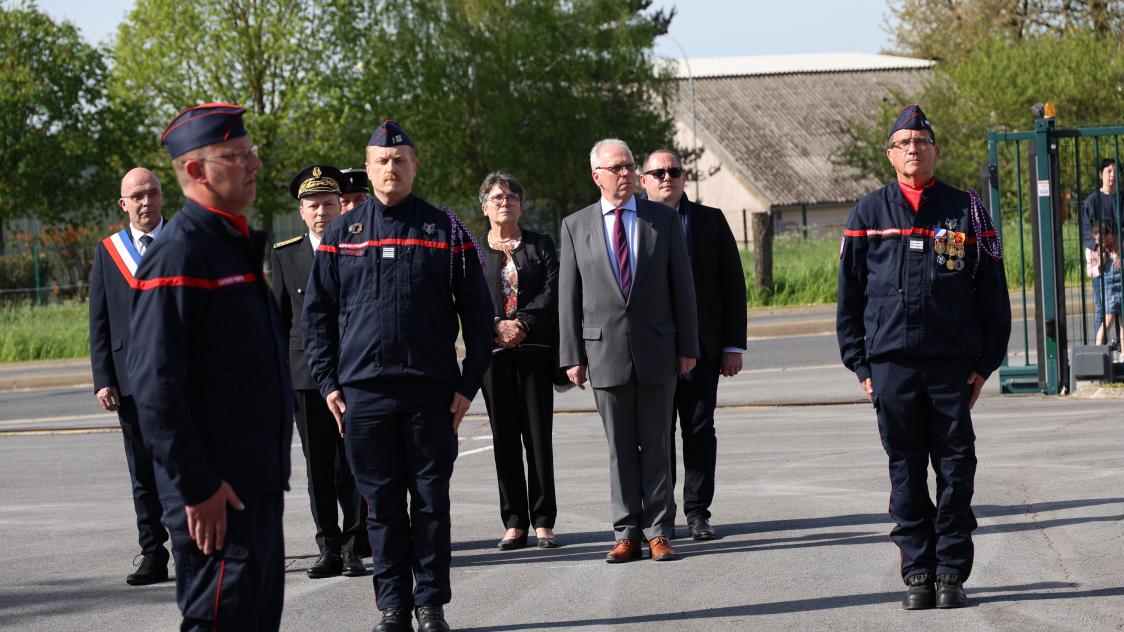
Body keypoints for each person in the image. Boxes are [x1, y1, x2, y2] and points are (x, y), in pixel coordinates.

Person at [302, 120, 492, 632]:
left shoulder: (445, 229)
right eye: (382, 161)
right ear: (367, 170)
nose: (392, 168)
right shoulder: (342, 233)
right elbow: (316, 317)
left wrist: (467, 385)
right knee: (382, 508)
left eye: (400, 160)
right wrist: (328, 383)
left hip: (430, 393)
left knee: (430, 504)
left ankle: (430, 604)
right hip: (363, 395)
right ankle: (392, 606)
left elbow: (478, 315)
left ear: (415, 166)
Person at [126, 103, 293, 631]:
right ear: (197, 171)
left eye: (251, 152)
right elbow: (155, 389)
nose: (254, 164)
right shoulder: (181, 254)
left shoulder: (229, 244)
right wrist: (197, 486)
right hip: (216, 497)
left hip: (254, 485)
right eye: (237, 155)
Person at [836, 104, 1011, 610]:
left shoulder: (966, 210)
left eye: (921, 141)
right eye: (903, 143)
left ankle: (951, 571)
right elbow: (849, 297)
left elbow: (992, 293)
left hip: (950, 366)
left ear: (936, 150)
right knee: (906, 472)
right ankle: (917, 570)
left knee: (956, 469)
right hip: (891, 366)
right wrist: (861, 366)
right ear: (890, 154)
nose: (913, 149)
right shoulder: (868, 213)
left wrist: (984, 364)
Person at [558, 138, 699, 564]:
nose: (625, 174)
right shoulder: (575, 226)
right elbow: (569, 295)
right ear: (596, 176)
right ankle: (626, 533)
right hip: (603, 351)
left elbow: (683, 288)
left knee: (657, 445)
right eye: (616, 168)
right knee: (619, 449)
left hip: (658, 348)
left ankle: (659, 531)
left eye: (629, 166)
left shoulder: (662, 220)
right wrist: (572, 355)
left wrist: (688, 346)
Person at [639, 149, 747, 541]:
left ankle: (698, 512)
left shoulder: (709, 220)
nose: (667, 177)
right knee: (655, 435)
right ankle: (660, 514)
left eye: (674, 171)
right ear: (643, 180)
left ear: (684, 177)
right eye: (658, 172)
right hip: (652, 349)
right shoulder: (633, 221)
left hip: (702, 347)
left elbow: (732, 284)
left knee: (699, 429)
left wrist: (733, 345)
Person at [271, 164, 367, 578]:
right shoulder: (285, 254)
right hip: (306, 376)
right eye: (313, 205)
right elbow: (279, 321)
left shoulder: (358, 246)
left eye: (329, 204)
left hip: (354, 371)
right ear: (301, 211)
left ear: (339, 206)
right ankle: (328, 546)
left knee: (355, 463)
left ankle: (354, 546)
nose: (322, 212)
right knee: (319, 467)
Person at [88, 167, 170, 586]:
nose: (146, 202)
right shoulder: (109, 251)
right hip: (131, 380)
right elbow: (99, 320)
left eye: (152, 193)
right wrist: (104, 377)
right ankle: (153, 552)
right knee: (143, 472)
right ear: (123, 204)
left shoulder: (188, 242)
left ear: (162, 196)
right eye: (137, 196)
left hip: (183, 379)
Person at [476, 171, 560, 550]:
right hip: (493, 356)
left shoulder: (540, 245)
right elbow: (467, 298)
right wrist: (496, 325)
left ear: (521, 205)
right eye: (497, 197)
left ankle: (542, 521)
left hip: (534, 352)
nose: (504, 202)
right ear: (484, 207)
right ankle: (514, 522)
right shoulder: (473, 251)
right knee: (504, 438)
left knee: (538, 439)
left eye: (512, 197)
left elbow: (553, 290)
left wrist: (522, 323)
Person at [1082, 159, 1119, 334]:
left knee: (1120, 308)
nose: (1112, 175)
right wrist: (1097, 247)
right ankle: (1100, 347)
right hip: (1100, 262)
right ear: (1100, 175)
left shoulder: (1121, 199)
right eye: (1108, 171)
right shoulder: (1092, 201)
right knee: (1102, 308)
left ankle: (1120, 346)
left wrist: (1119, 247)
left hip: (1119, 258)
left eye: (1116, 172)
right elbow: (1084, 231)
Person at [1088, 219, 1122, 348]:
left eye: (1107, 240)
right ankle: (1098, 349)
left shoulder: (1119, 244)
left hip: (1120, 283)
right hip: (1109, 287)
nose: (1104, 244)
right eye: (1100, 241)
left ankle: (1123, 353)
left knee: (1123, 321)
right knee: (1108, 319)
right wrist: (1099, 264)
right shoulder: (1095, 250)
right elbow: (1090, 271)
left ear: (1113, 235)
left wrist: (1118, 258)